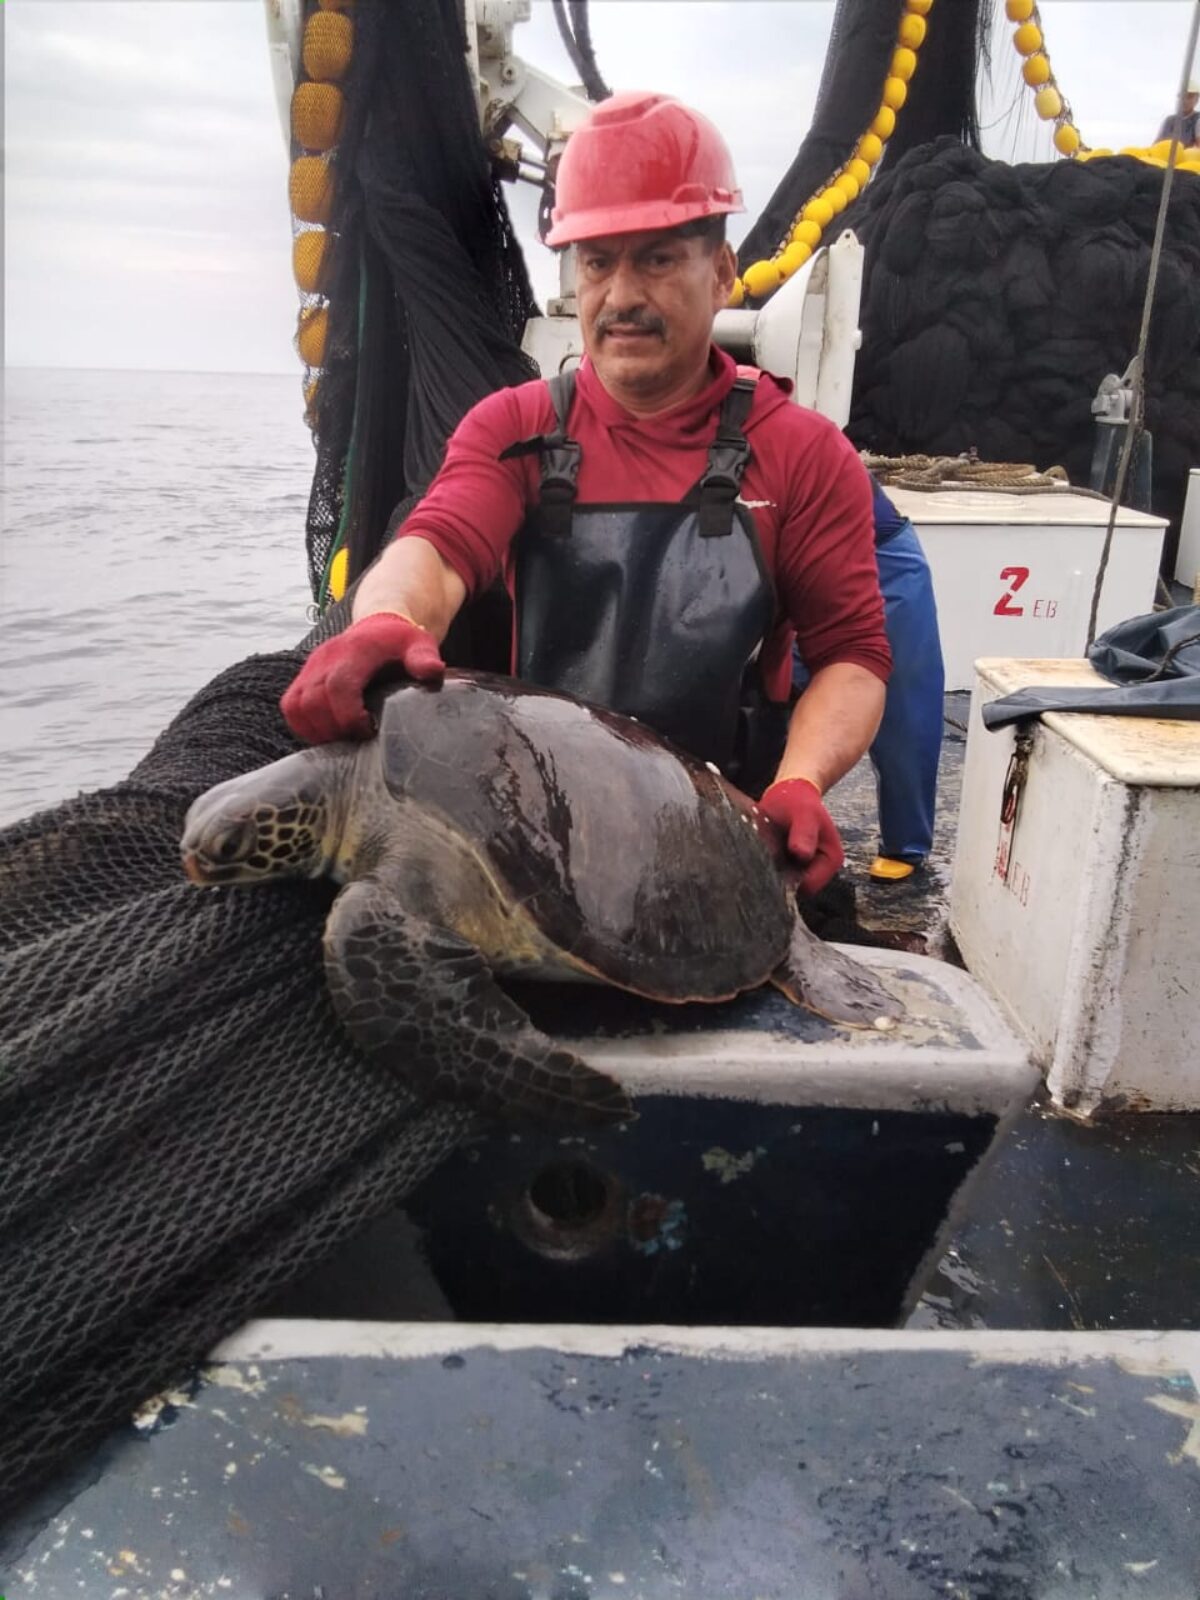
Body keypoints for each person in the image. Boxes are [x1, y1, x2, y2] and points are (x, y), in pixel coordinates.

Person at [282, 91, 891, 897]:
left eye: (658, 257)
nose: (622, 294)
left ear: (723, 272)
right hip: (540, 828)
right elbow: (435, 545)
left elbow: (854, 655)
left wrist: (802, 782)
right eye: (599, 261)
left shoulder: (804, 454)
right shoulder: (516, 428)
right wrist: (389, 621)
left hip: (721, 825)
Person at [794, 479, 944, 882]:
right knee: (773, 691)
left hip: (882, 556)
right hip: (794, 558)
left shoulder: (793, 443)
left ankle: (906, 841)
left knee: (904, 705)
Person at [1156, 78, 1199, 145]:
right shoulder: (1169, 120)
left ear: (1197, 99)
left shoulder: (1197, 119)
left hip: (1187, 155)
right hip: (1165, 154)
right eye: (1182, 96)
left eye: (1189, 97)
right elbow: (1156, 144)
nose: (1185, 101)